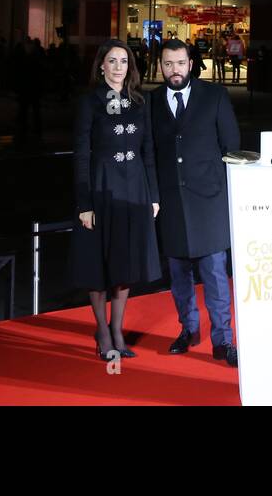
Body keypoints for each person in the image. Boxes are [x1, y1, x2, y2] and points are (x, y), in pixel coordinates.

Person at [148, 38, 242, 366]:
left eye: (179, 63)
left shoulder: (214, 96)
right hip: (171, 203)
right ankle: (187, 329)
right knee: (178, 275)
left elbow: (231, 147)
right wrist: (154, 197)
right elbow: (150, 154)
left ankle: (224, 340)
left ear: (191, 64)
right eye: (167, 64)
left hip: (209, 203)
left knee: (215, 274)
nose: (174, 70)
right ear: (161, 66)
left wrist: (228, 195)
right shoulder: (152, 101)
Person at [70, 39, 162, 360]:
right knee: (98, 262)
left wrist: (153, 195)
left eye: (124, 61)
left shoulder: (140, 101)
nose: (118, 67)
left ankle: (118, 329)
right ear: (101, 66)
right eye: (112, 61)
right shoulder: (90, 102)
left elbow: (148, 150)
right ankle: (103, 331)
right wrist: (84, 202)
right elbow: (81, 153)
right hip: (100, 185)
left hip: (134, 187)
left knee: (125, 262)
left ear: (130, 67)